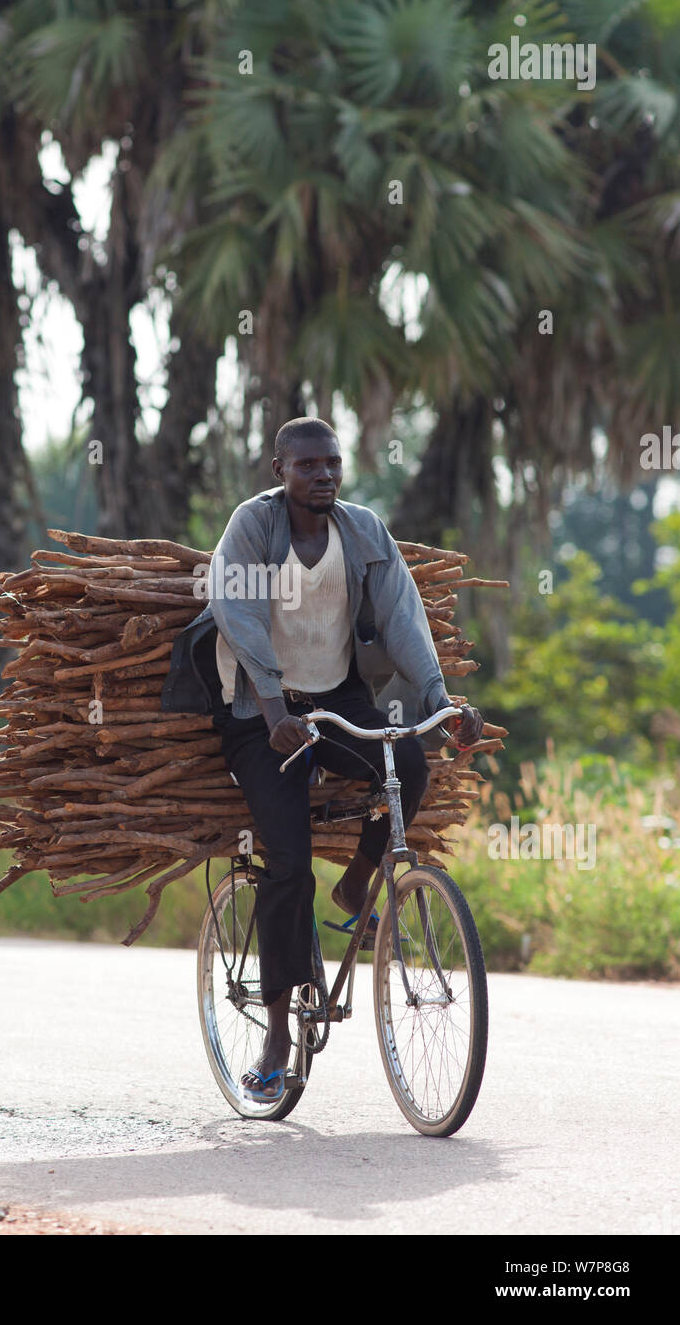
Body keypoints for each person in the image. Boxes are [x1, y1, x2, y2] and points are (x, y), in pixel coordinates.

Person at [160, 418, 483, 1100]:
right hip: (258, 710)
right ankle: (278, 1035)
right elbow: (236, 611)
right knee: (288, 859)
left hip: (338, 697)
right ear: (279, 469)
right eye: (308, 465)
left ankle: (359, 880)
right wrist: (274, 710)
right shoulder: (253, 527)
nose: (324, 476)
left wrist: (441, 700)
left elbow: (403, 615)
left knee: (411, 766)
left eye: (332, 463)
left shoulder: (362, 531)